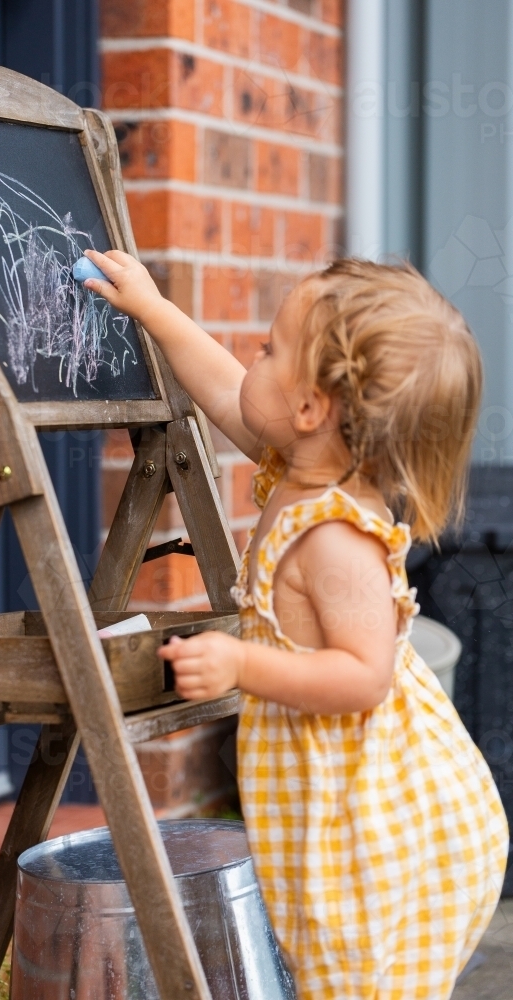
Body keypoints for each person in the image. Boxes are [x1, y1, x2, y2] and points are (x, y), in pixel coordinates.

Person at [84, 249, 509, 999]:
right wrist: (153, 309)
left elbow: (362, 674)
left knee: (349, 970)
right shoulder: (298, 464)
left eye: (271, 348)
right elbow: (223, 388)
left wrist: (243, 665)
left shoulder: (334, 538)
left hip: (371, 817)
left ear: (312, 407)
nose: (254, 352)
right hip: (333, 796)